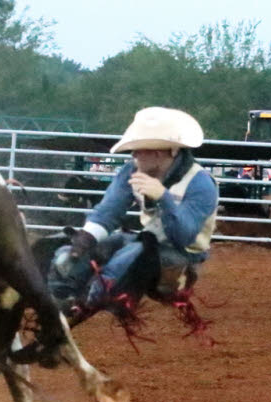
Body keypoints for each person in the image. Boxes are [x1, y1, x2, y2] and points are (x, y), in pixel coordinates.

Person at [46, 106, 219, 323]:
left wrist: (163, 198)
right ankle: (59, 301)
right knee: (70, 254)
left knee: (128, 256)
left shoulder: (200, 183)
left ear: (161, 153)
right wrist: (86, 238)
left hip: (182, 256)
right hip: (148, 241)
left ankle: (87, 303)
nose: (133, 154)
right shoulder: (131, 171)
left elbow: (183, 236)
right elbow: (110, 210)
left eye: (140, 149)